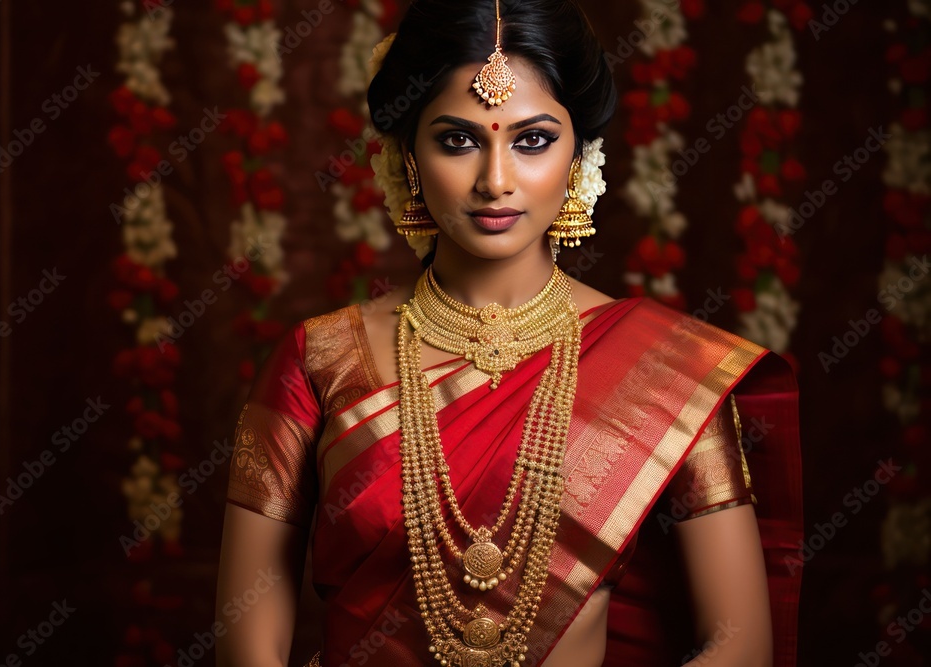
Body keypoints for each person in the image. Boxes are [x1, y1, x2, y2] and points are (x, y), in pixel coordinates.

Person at [215, 1, 803, 665]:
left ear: (578, 154)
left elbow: (740, 645)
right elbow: (246, 648)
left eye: (532, 141)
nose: (495, 181)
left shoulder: (668, 367)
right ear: (409, 158)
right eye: (457, 141)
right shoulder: (319, 361)